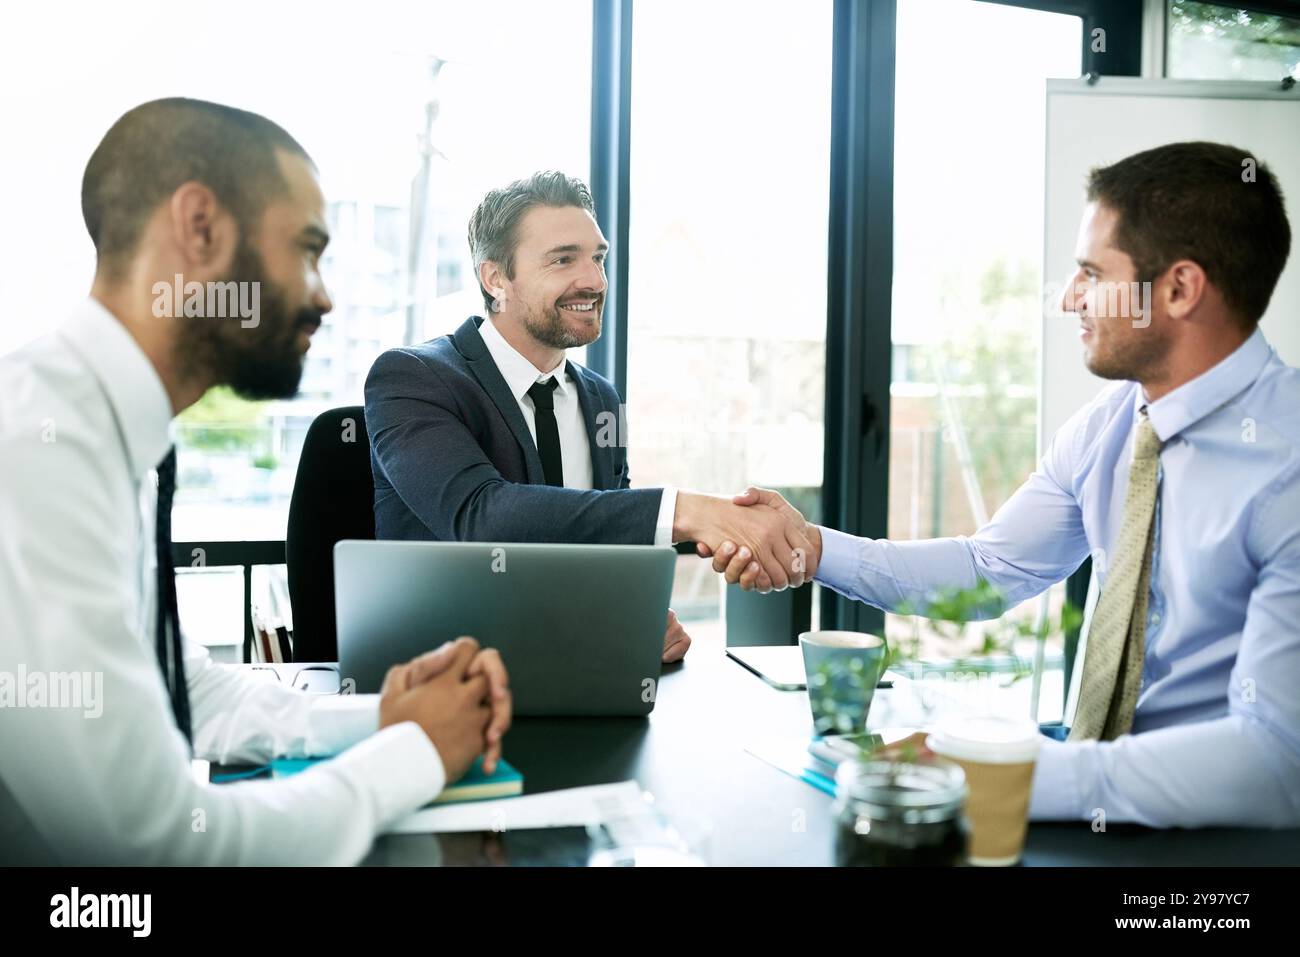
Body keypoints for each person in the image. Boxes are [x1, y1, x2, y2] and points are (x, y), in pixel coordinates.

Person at [712, 141, 1300, 828]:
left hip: (1223, 848)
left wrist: (1007, 769)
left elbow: (1275, 760)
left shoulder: (1285, 465)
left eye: (1090, 273)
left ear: (1178, 288)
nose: (1068, 297)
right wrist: (812, 547)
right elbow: (987, 571)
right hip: (1088, 816)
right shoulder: (1109, 428)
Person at [0, 98, 511, 864]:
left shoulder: (106, 431)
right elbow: (150, 845)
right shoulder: (42, 446)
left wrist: (388, 719)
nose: (324, 294)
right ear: (200, 228)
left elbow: (184, 688)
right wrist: (414, 754)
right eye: (307, 250)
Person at [364, 171, 816, 663]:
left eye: (597, 258)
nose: (594, 281)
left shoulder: (602, 398)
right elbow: (481, 517)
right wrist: (689, 512)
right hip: (445, 691)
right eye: (563, 260)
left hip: (581, 673)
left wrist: (635, 613)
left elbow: (609, 538)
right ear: (496, 279)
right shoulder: (412, 377)